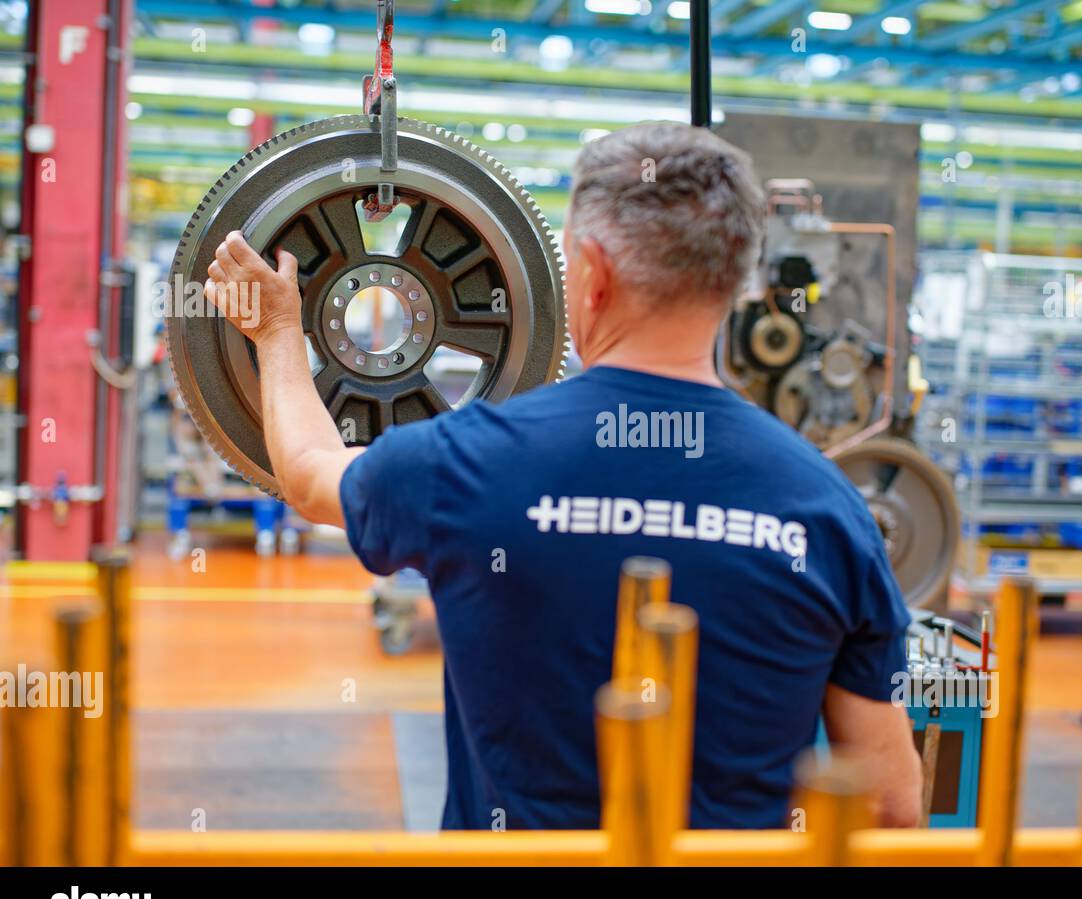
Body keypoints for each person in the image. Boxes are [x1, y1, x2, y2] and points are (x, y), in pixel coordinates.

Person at [202, 121, 921, 830]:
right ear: (736, 282)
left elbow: (307, 473)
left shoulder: (463, 467)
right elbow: (891, 806)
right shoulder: (828, 510)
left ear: (592, 271)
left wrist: (275, 332)